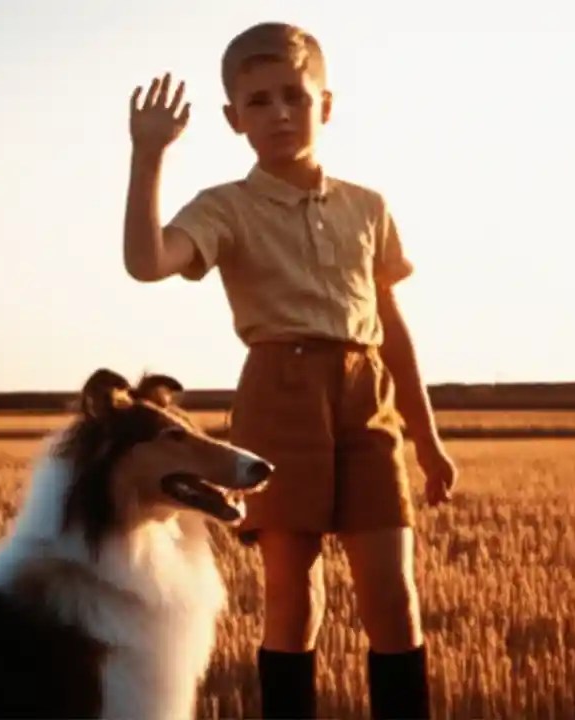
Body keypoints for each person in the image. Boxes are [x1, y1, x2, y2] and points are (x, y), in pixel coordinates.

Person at [121, 21, 457, 719]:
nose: (278, 112)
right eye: (259, 101)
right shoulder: (225, 207)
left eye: (294, 98)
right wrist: (147, 157)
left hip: (368, 397)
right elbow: (147, 262)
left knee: (391, 595)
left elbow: (391, 328)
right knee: (292, 594)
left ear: (324, 104)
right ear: (233, 118)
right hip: (279, 393)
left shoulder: (369, 207)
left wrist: (427, 438)